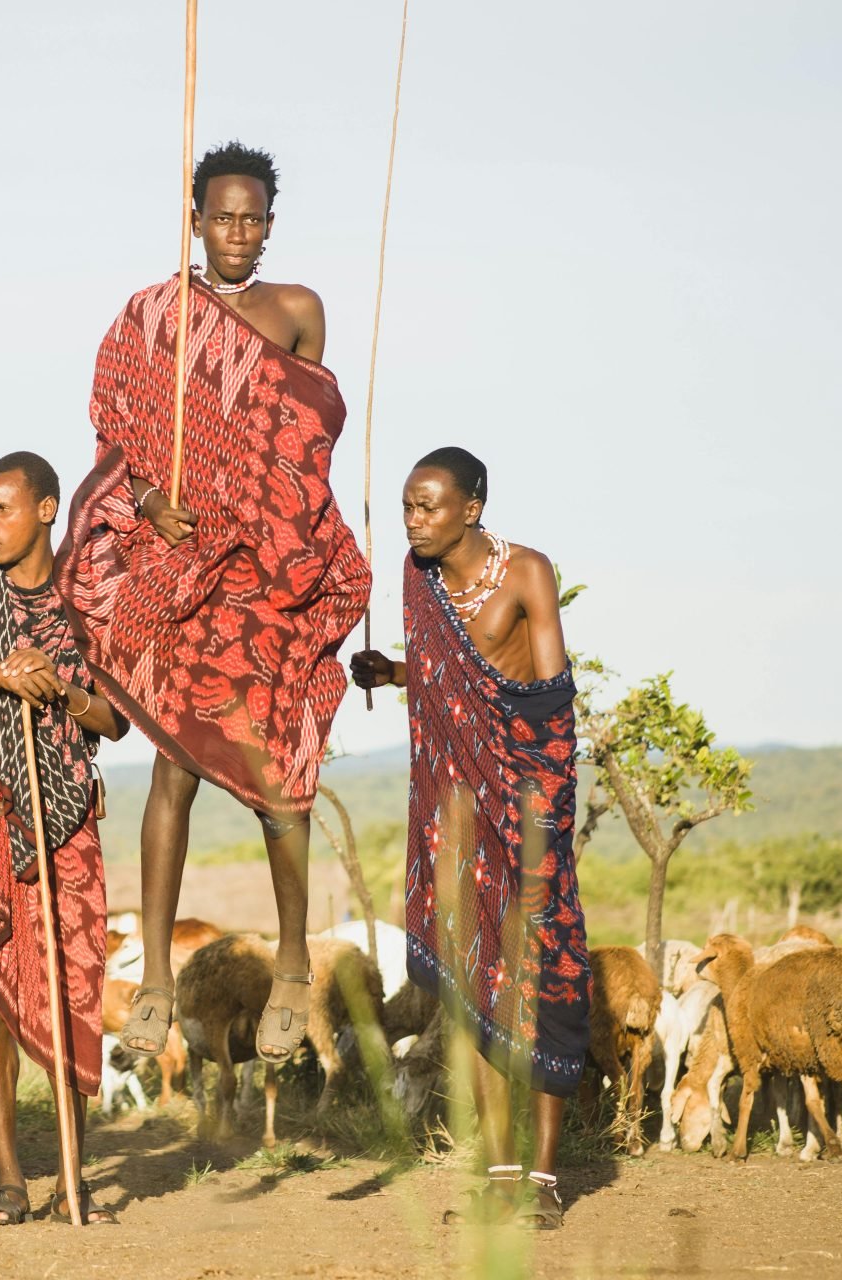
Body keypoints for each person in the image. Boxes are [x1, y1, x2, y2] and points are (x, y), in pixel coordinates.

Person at [56, 141, 371, 1063]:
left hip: (267, 568)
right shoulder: (154, 316)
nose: (237, 232)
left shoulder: (299, 311)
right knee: (171, 768)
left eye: (253, 218)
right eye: (221, 216)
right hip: (184, 558)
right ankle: (154, 975)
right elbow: (116, 425)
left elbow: (303, 442)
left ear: (270, 225)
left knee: (280, 774)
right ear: (194, 218)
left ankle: (291, 966)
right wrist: (153, 503)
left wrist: (265, 517)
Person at [348, 446, 590, 1230]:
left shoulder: (527, 573)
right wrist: (391, 673)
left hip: (526, 804)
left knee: (541, 978)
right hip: (453, 815)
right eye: (409, 508)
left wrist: (544, 822)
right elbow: (449, 683)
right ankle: (500, 1172)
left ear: (472, 508)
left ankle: (547, 1180)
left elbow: (551, 706)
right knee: (476, 984)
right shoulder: (419, 580)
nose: (414, 520)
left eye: (428, 507)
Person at [0, 452, 127, 1226]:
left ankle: (73, 1175)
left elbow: (112, 719)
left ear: (46, 510)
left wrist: (65, 689)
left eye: (2, 509)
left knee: (74, 993)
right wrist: (0, 681)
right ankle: (10, 1181)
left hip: (66, 819)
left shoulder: (85, 600)